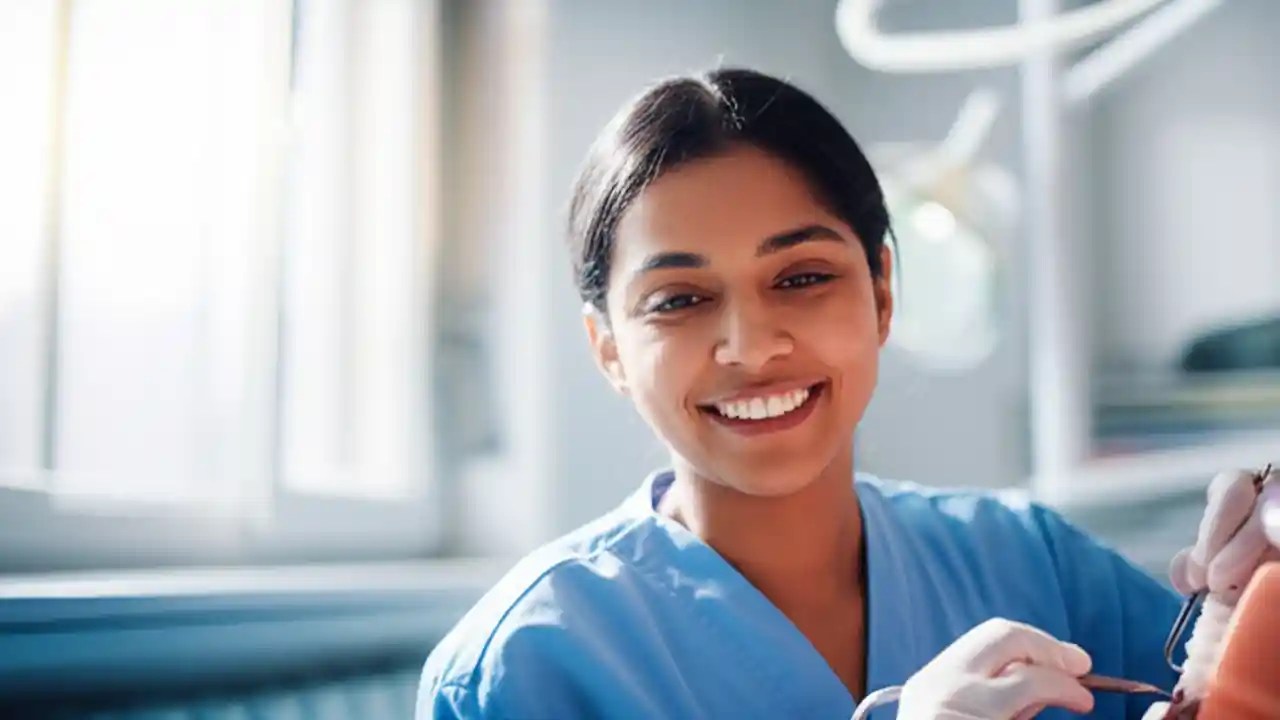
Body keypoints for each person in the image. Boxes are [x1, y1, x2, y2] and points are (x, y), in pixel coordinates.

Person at [417, 68, 1275, 719]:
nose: (751, 347)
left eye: (802, 276)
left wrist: (1257, 603)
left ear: (885, 293)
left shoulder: (1032, 564)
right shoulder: (524, 668)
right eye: (679, 299)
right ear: (608, 347)